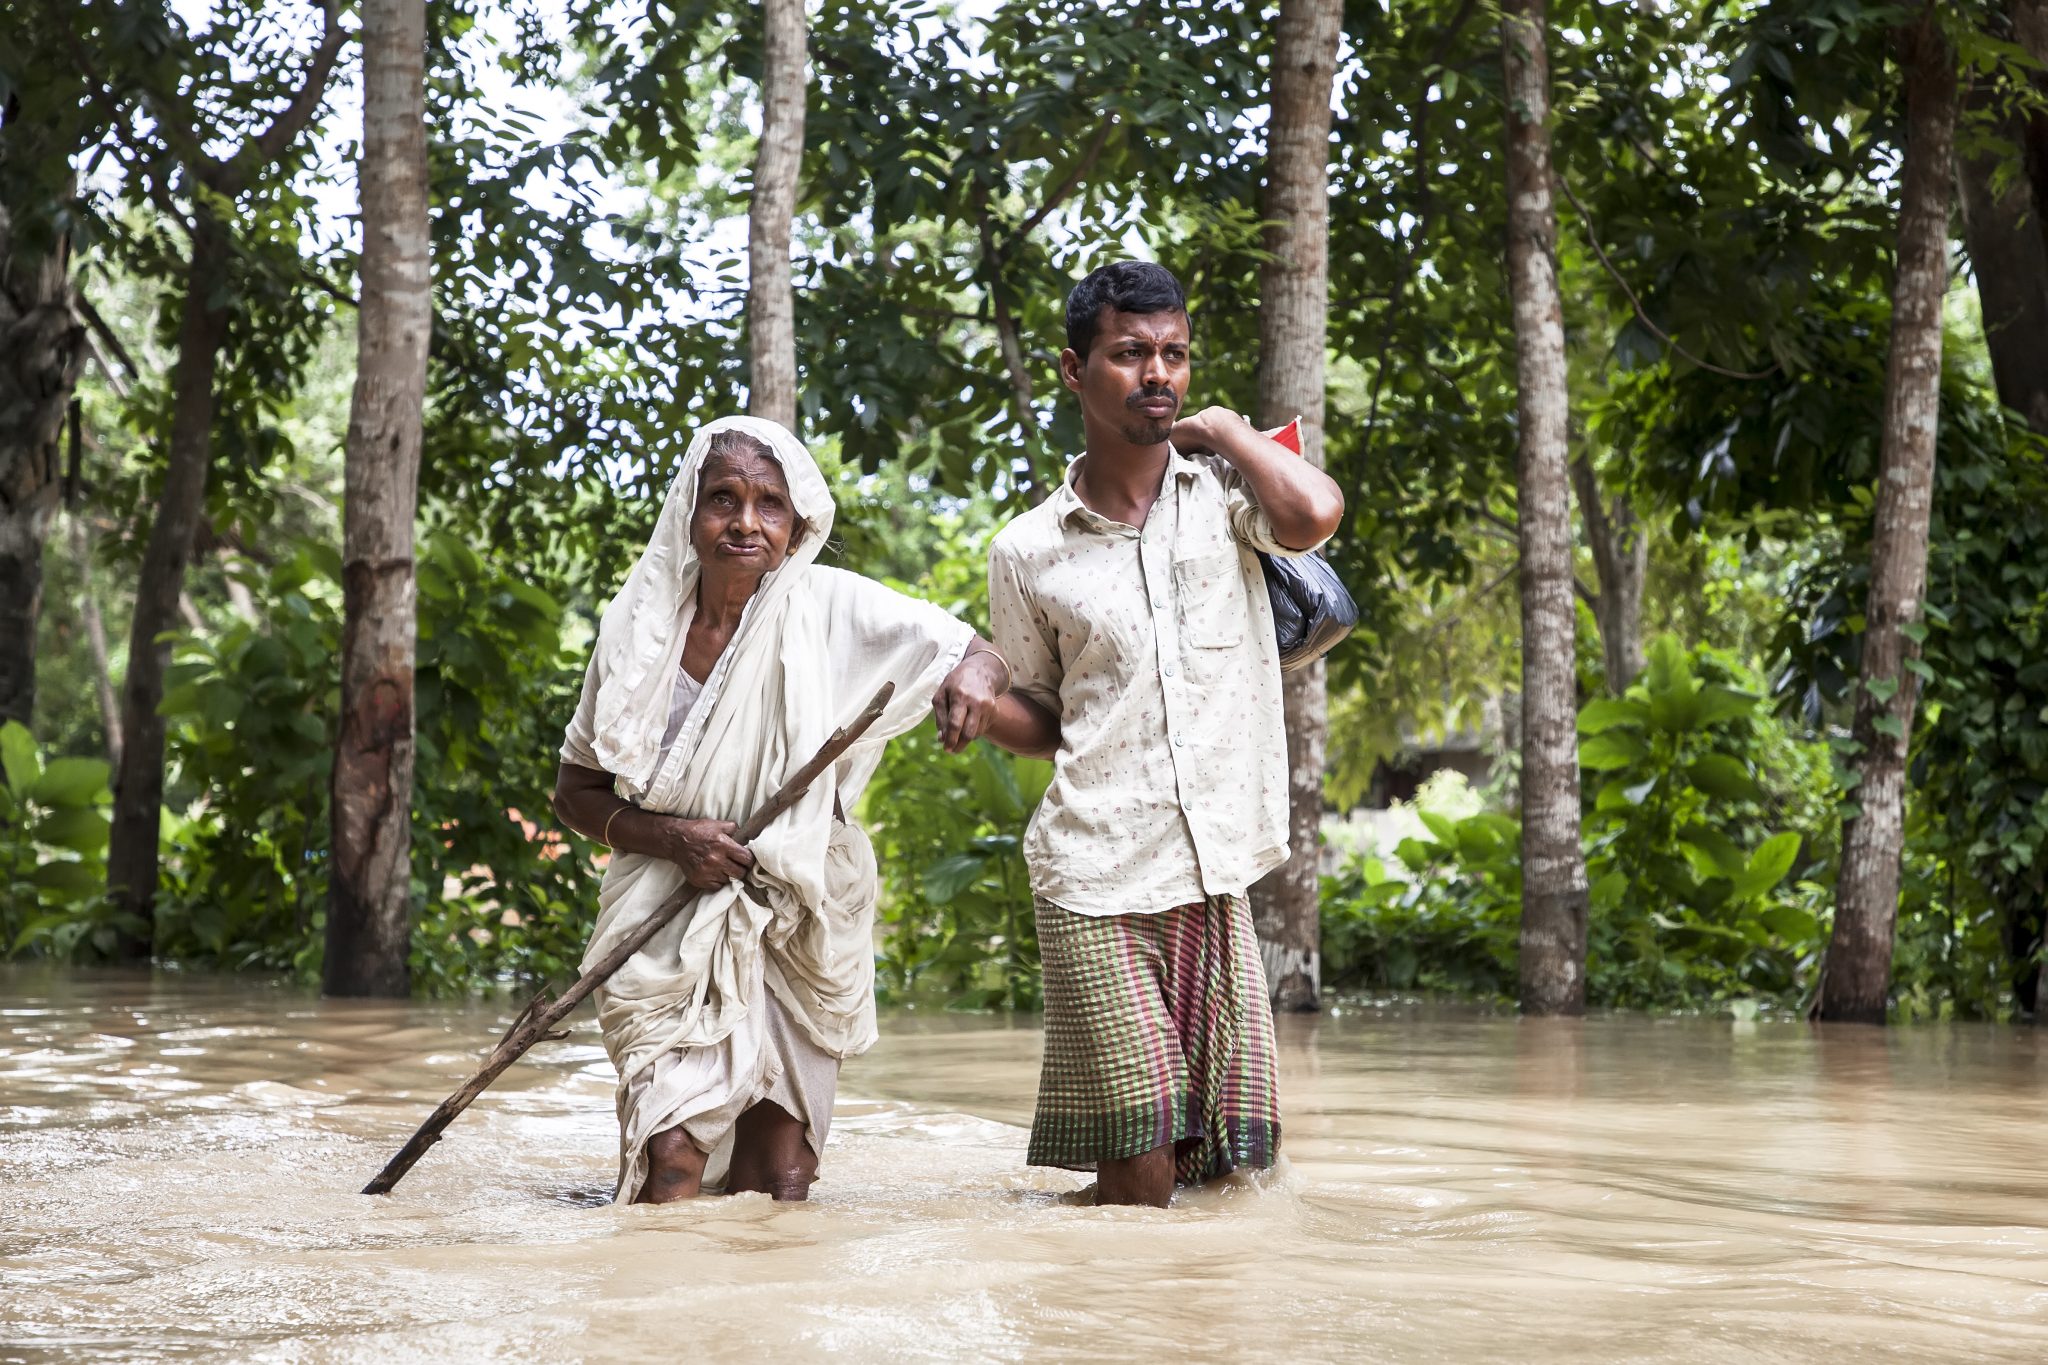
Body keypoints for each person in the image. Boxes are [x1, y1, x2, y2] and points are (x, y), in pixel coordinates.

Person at [552, 414, 1054, 1204]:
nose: (745, 522)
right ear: (690, 511)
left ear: (797, 523)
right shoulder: (636, 628)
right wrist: (675, 838)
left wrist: (978, 681)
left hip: (800, 914)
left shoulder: (830, 607)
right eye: (723, 499)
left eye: (769, 504)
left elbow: (972, 649)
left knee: (780, 1181)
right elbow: (574, 793)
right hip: (668, 919)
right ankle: (651, 1321)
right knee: (671, 1156)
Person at [985, 261, 1346, 1207]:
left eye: (1174, 354)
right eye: (1130, 353)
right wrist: (978, 704)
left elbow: (1314, 515)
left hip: (1213, 867)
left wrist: (1226, 430)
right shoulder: (1028, 549)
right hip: (1094, 870)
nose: (1158, 374)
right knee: (1141, 1162)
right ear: (1075, 370)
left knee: (1232, 1172)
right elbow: (1045, 714)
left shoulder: (1228, 498)